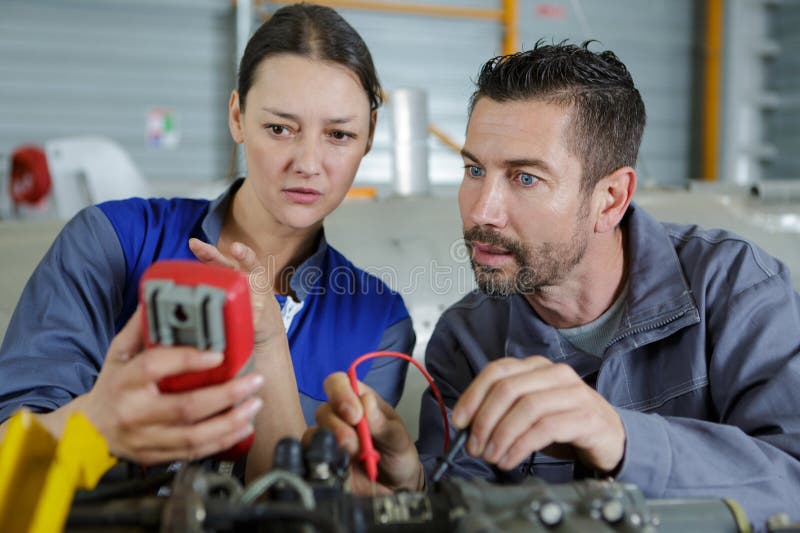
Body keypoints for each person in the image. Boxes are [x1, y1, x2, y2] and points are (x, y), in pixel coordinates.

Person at [314, 42, 800, 526]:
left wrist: (621, 439)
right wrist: (413, 483)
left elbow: (792, 479)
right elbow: (465, 504)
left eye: (525, 178)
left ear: (611, 199)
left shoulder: (735, 290)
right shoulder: (468, 341)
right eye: (475, 170)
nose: (482, 211)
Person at [0, 3, 414, 481]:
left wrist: (268, 344)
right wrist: (94, 422)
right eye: (280, 129)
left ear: (369, 136)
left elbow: (314, 499)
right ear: (237, 116)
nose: (307, 163)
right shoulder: (111, 242)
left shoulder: (378, 323)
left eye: (339, 134)